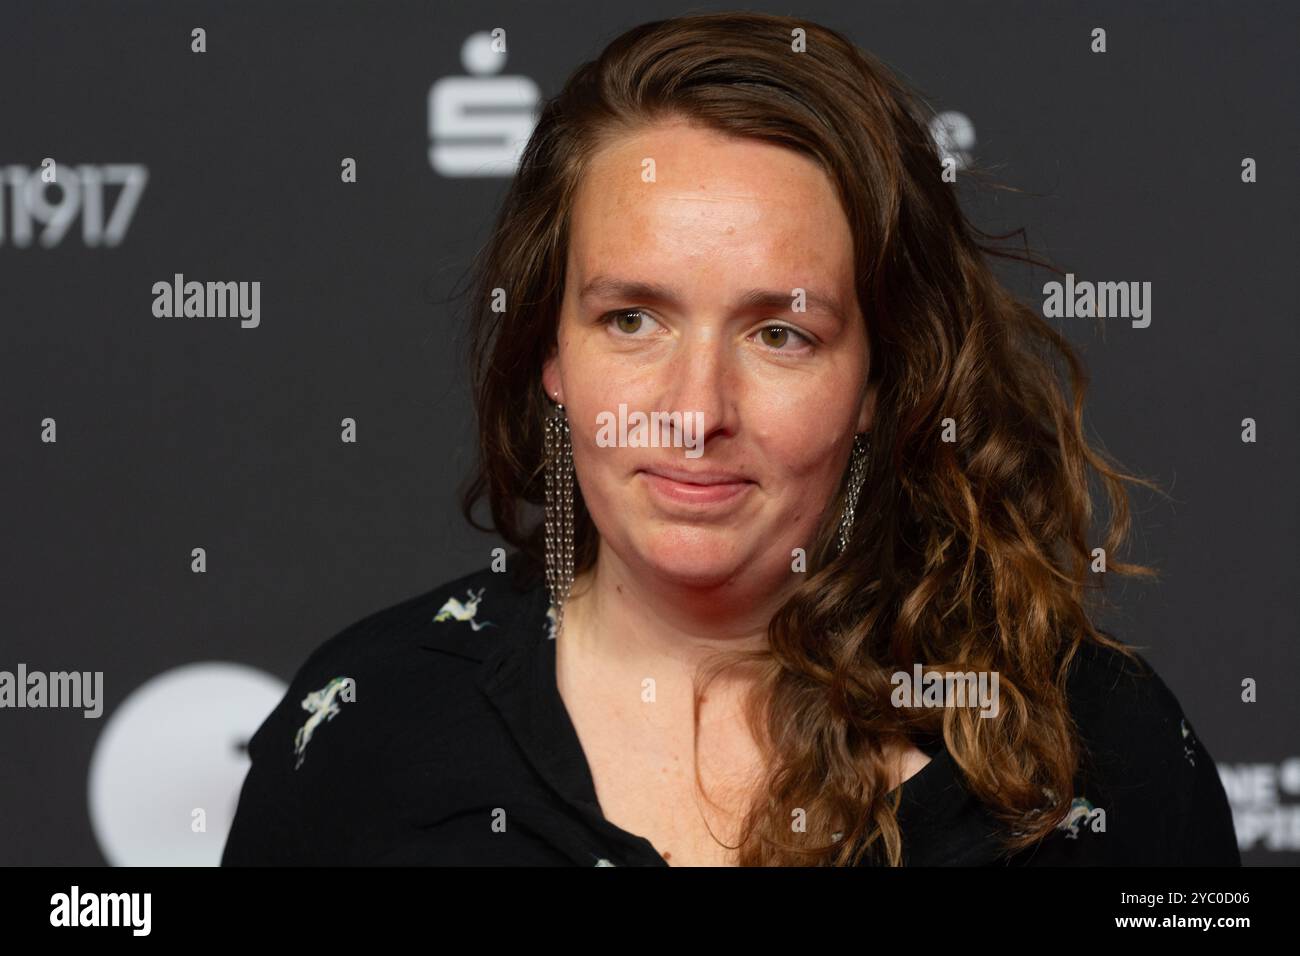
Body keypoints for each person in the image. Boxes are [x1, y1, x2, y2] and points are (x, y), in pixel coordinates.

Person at [223, 11, 1239, 867]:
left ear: (881, 380)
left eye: (780, 333)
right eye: (632, 319)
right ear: (549, 351)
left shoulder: (1100, 751)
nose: (693, 407)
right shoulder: (363, 731)